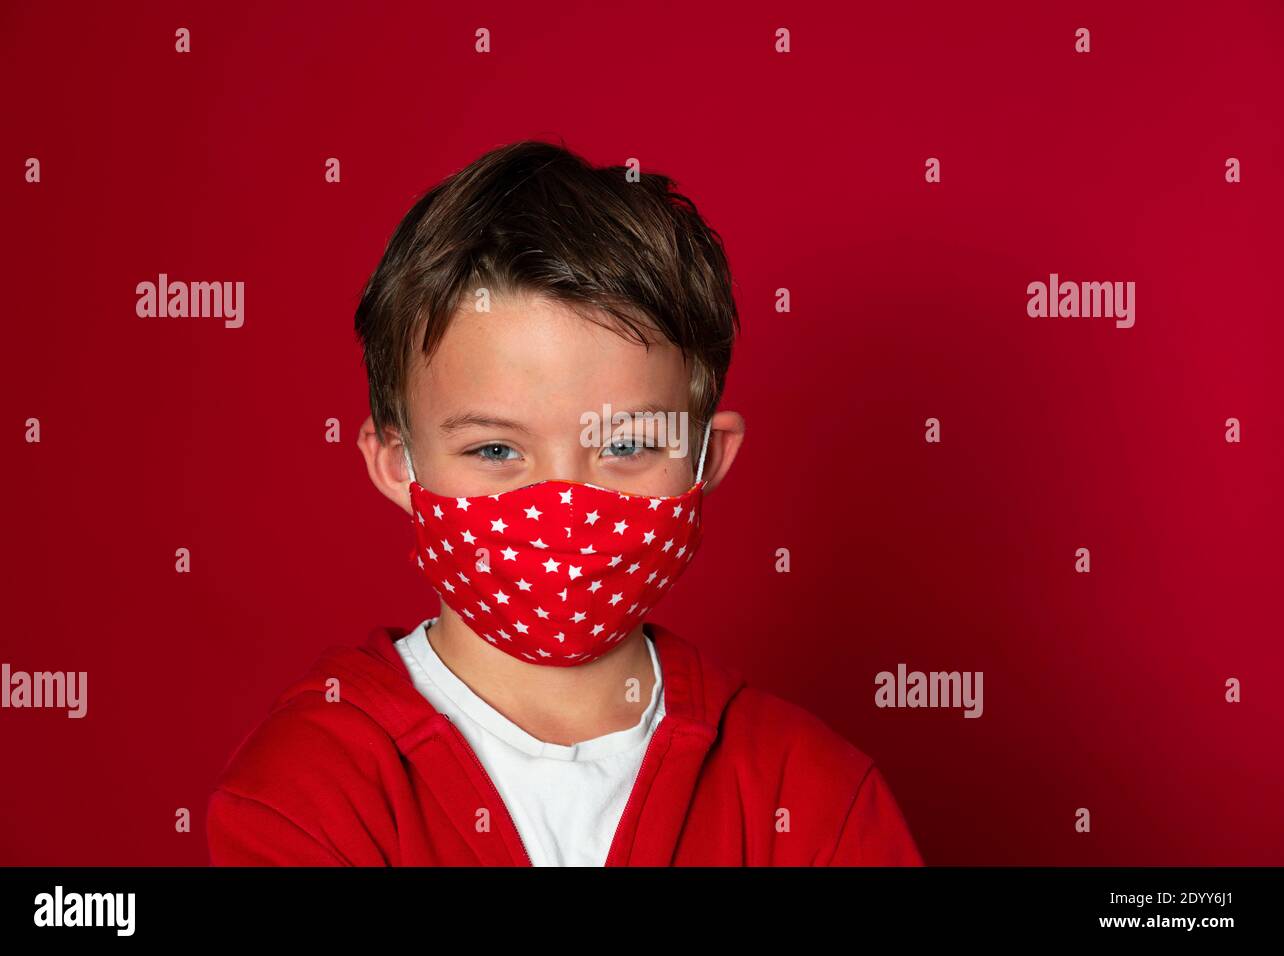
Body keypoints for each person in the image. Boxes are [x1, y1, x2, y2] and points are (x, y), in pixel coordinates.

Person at [206, 140, 924, 866]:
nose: (566, 506)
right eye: (495, 451)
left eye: (627, 446)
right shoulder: (308, 794)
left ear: (709, 458)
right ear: (398, 463)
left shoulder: (814, 798)